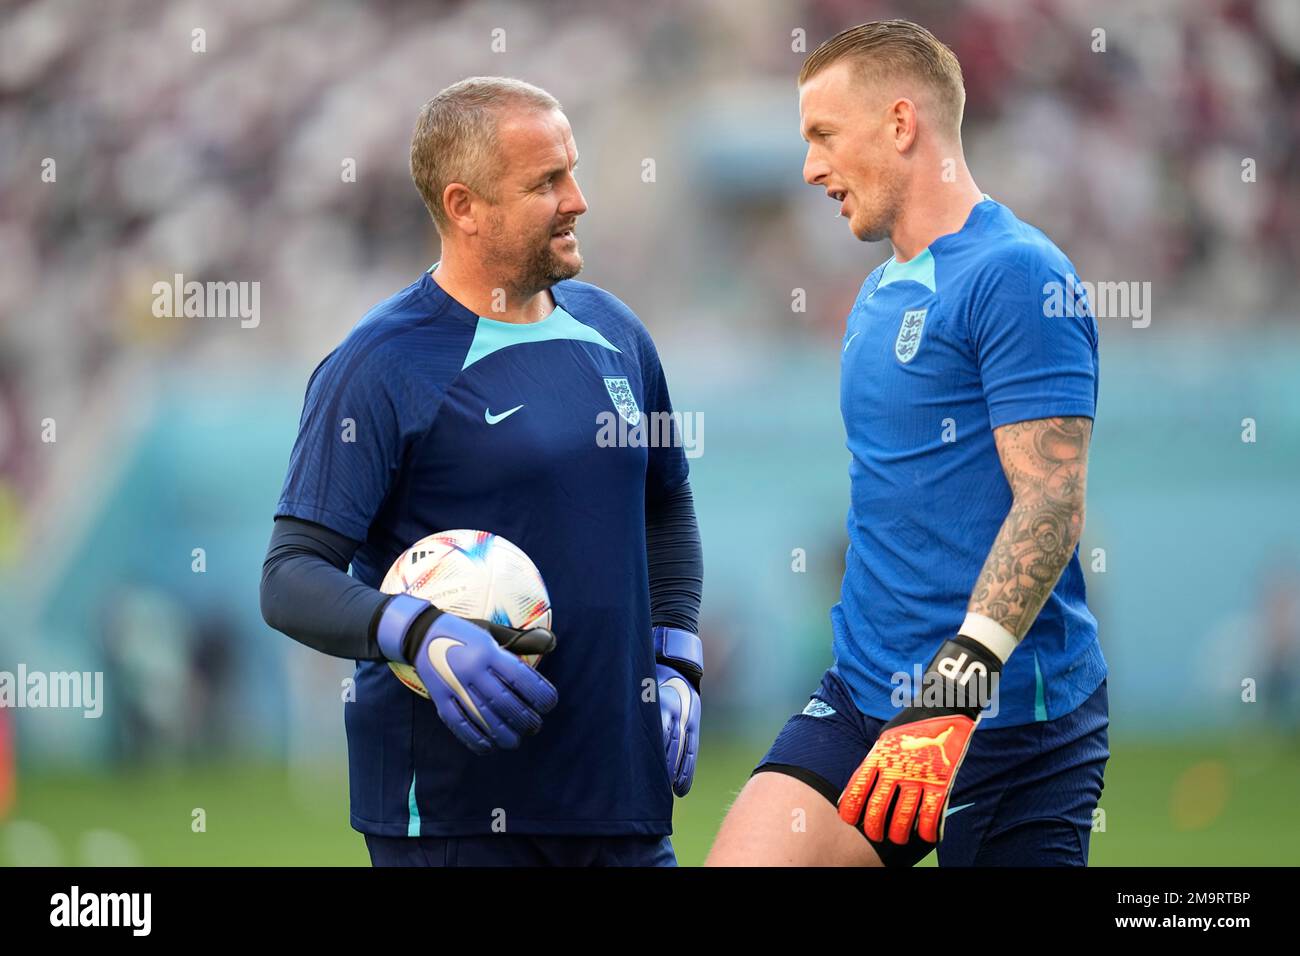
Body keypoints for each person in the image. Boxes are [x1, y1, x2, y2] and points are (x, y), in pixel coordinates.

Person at [261, 76, 702, 867]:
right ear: (464, 207)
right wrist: (418, 633)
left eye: (572, 170)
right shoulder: (380, 364)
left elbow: (666, 505)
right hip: (457, 819)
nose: (579, 199)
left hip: (623, 805)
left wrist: (676, 658)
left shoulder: (619, 334)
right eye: (547, 183)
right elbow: (291, 576)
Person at [708, 20, 1107, 867]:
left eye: (823, 136)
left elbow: (1052, 502)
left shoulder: (1019, 273)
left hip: (1008, 723)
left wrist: (950, 696)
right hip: (862, 696)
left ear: (900, 124)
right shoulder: (877, 295)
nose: (810, 166)